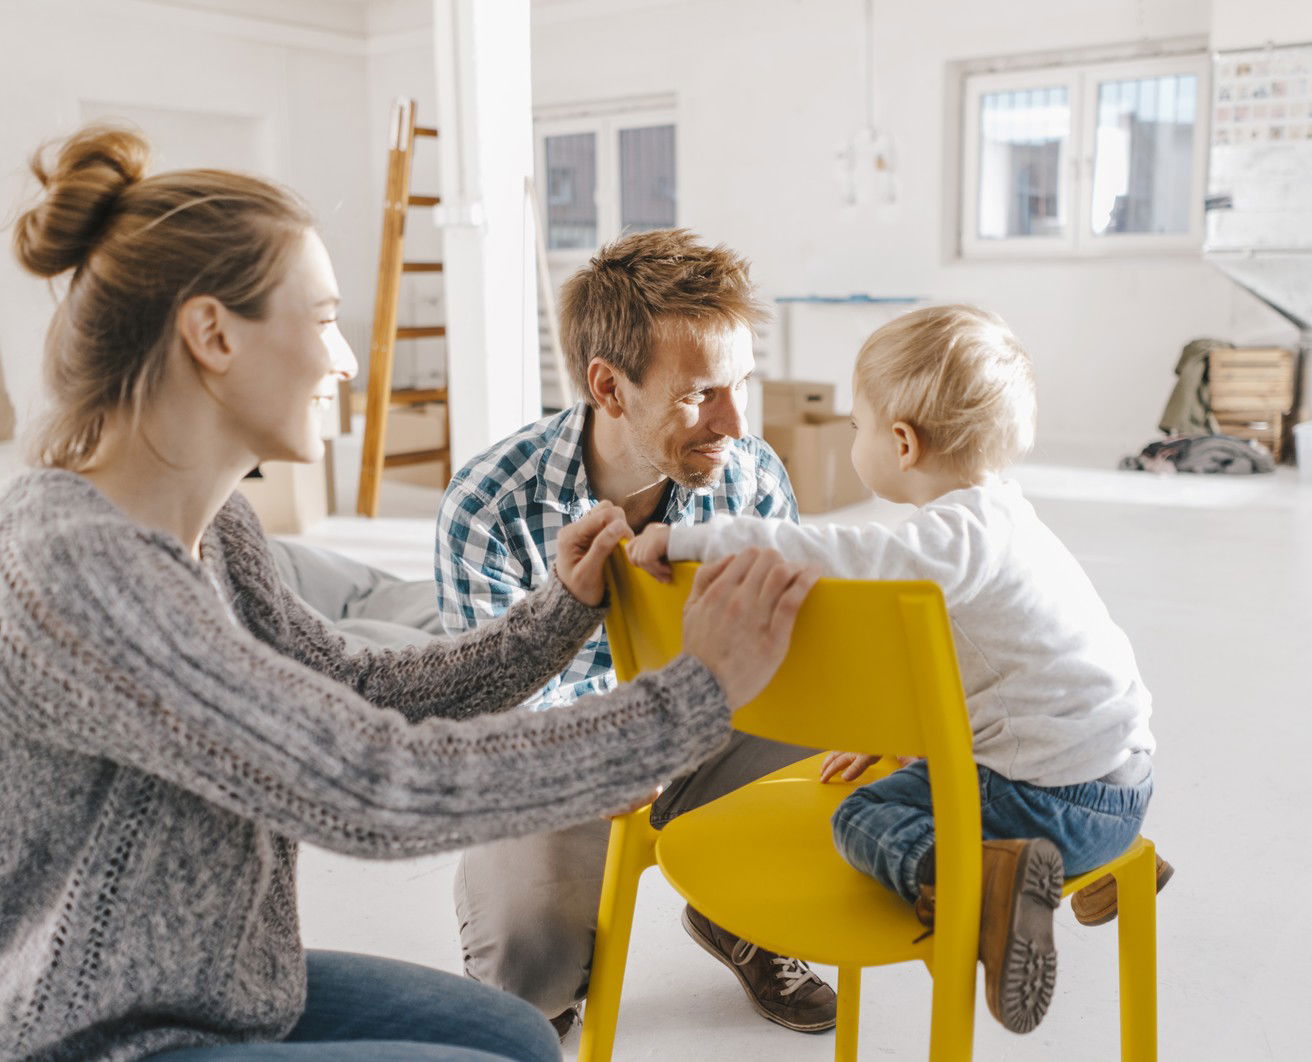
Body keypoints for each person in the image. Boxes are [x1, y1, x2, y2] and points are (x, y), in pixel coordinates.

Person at [0, 125, 817, 1062]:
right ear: (212, 336)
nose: (346, 362)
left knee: (512, 1036)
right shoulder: (83, 571)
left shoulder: (214, 527)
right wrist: (691, 697)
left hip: (216, 983)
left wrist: (556, 617)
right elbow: (372, 779)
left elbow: (352, 681)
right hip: (107, 1034)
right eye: (322, 319)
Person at [628, 304, 1169, 1035]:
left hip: (1061, 796)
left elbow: (851, 562)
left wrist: (705, 541)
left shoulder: (946, 538)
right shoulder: (1003, 517)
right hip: (1124, 776)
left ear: (903, 443)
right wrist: (895, 730)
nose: (854, 437)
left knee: (865, 816)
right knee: (916, 773)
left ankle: (986, 888)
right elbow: (988, 669)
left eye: (856, 426)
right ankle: (1092, 865)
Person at [436, 229, 837, 1037]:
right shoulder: (487, 504)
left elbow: (797, 649)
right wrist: (625, 733)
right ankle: (544, 974)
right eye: (701, 394)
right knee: (526, 982)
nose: (735, 421)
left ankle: (737, 912)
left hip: (714, 729)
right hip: (561, 761)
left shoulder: (753, 475)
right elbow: (498, 715)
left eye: (742, 387)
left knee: (869, 722)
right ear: (609, 388)